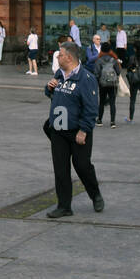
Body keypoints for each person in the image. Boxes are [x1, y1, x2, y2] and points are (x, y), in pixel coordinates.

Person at [44, 40, 104, 218]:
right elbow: (54, 96)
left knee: (82, 165)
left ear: (69, 58)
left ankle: (95, 195)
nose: (57, 56)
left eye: (60, 54)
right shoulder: (59, 74)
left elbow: (92, 107)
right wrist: (48, 88)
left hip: (77, 131)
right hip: (58, 131)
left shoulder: (86, 78)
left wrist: (84, 130)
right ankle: (64, 206)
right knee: (60, 169)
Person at [93, 41, 121, 127]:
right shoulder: (113, 60)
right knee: (112, 102)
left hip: (102, 84)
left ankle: (100, 120)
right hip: (112, 84)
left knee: (101, 102)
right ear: (110, 50)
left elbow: (96, 73)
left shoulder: (99, 60)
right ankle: (112, 122)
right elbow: (118, 71)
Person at [125, 38, 140, 124]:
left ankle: (130, 119)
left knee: (132, 100)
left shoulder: (132, 58)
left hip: (134, 81)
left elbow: (128, 69)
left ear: (135, 48)